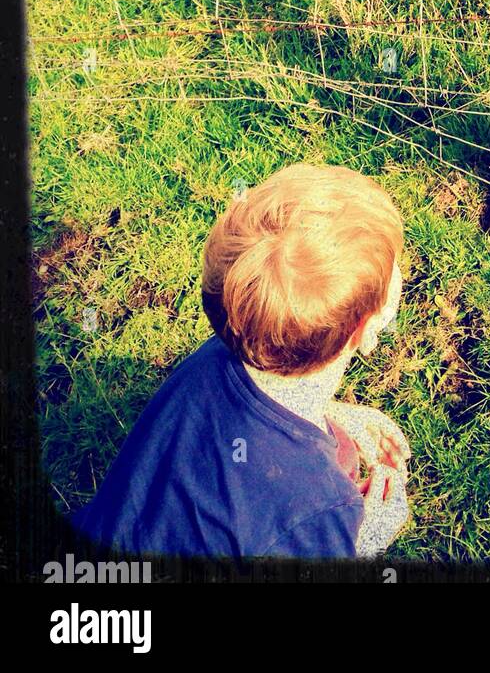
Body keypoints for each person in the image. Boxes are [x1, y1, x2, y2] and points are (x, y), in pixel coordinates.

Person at [71, 164, 410, 558]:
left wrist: (330, 413)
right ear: (364, 331)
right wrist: (371, 534)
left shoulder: (219, 356)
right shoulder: (320, 508)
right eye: (391, 272)